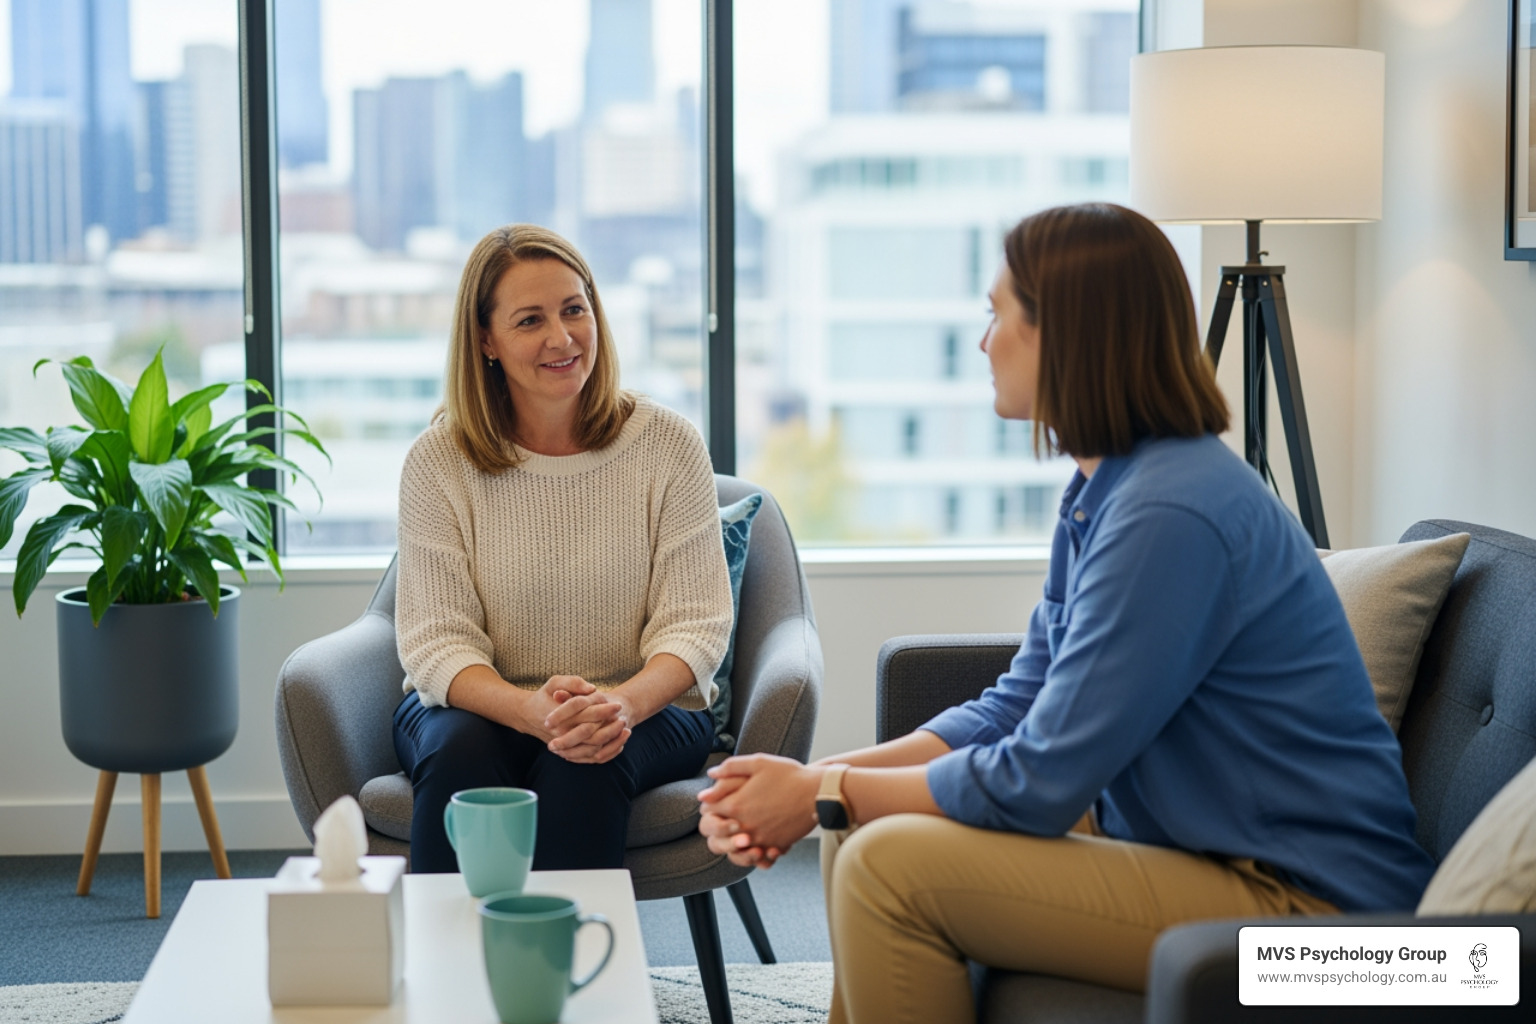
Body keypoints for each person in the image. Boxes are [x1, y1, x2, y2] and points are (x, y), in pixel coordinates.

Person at [696, 203, 1436, 1024]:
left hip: (1333, 930)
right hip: (1212, 854)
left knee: (884, 865)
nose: (982, 341)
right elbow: (1018, 702)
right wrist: (818, 783)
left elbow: (1039, 782)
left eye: (997, 313)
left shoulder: (1172, 512)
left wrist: (819, 789)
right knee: (853, 821)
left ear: (1068, 333)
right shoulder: (1107, 489)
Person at [393, 224, 732, 873]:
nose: (562, 337)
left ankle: (571, 968)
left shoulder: (668, 445)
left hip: (644, 706)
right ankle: (443, 966)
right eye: (530, 320)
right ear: (485, 340)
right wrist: (526, 711)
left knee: (586, 758)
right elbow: (436, 642)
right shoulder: (438, 460)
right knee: (464, 753)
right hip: (481, 706)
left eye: (575, 309)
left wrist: (617, 705)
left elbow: (696, 628)